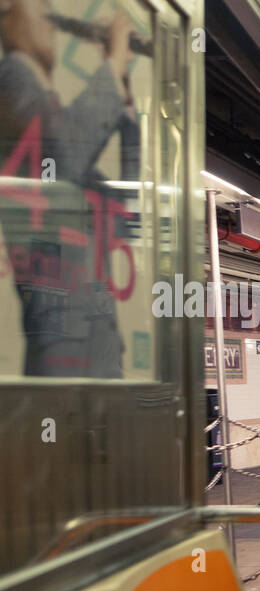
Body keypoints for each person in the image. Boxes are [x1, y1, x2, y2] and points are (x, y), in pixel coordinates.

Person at [0, 0, 137, 377]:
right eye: (39, 3)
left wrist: (122, 83)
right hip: (64, 344)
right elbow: (60, 155)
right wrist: (112, 64)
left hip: (94, 342)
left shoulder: (51, 124)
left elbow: (121, 207)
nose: (49, 14)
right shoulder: (10, 79)